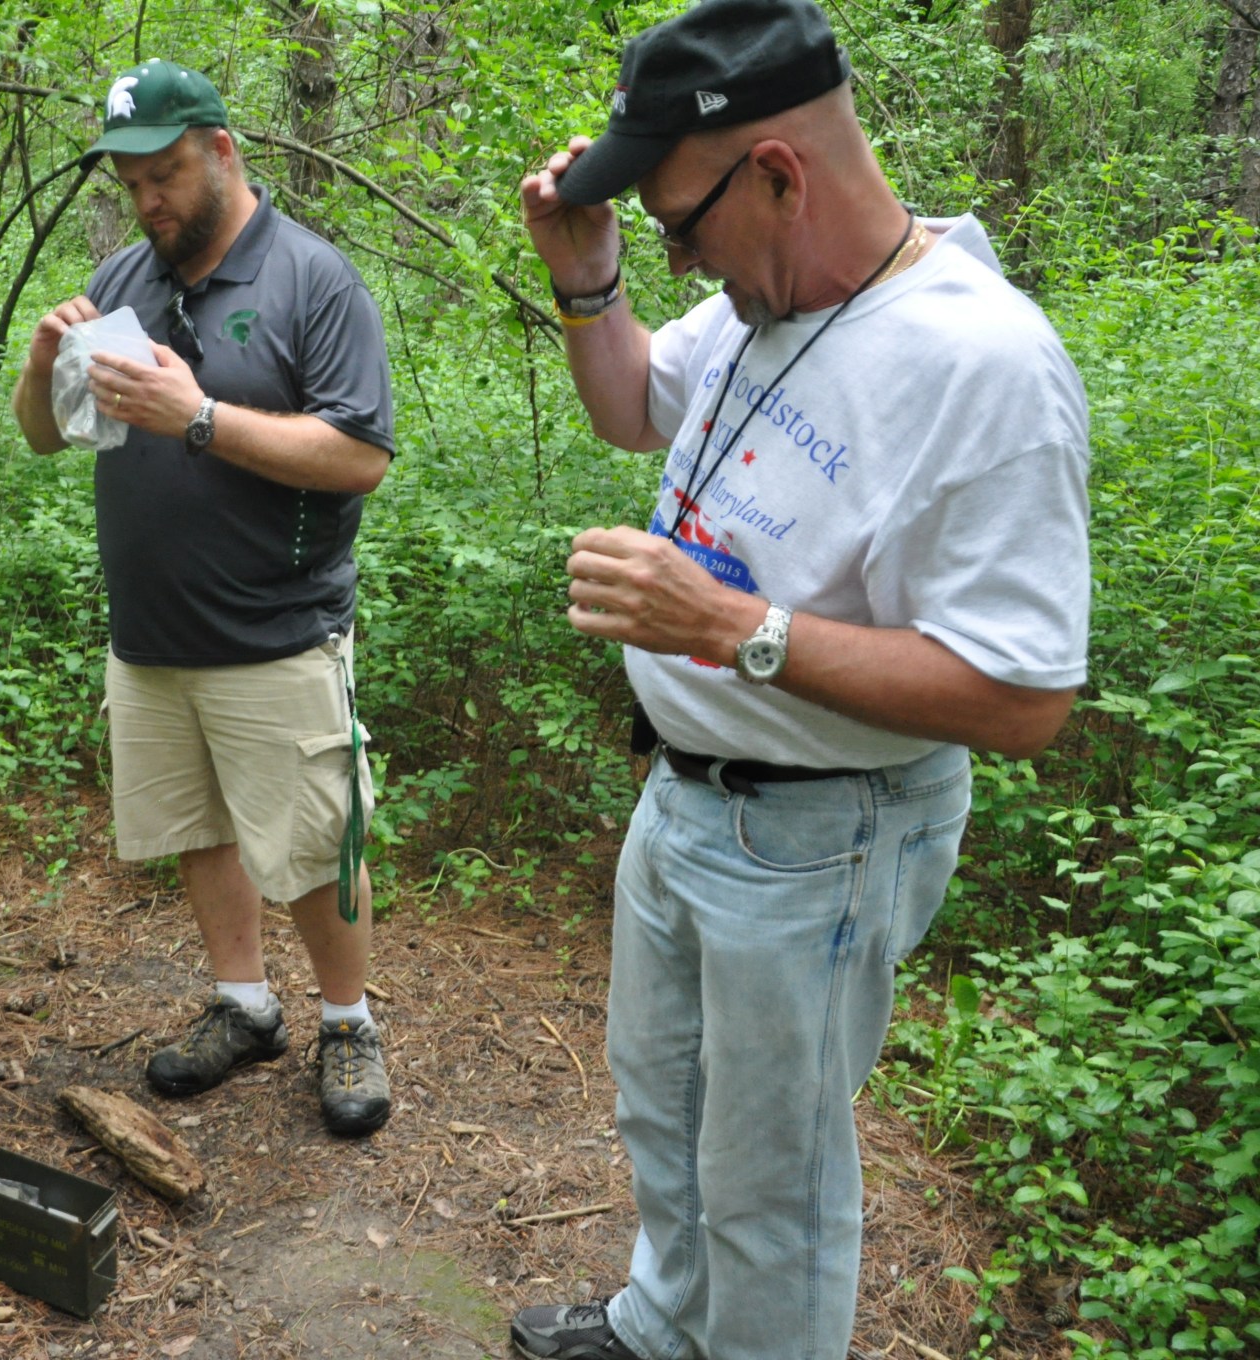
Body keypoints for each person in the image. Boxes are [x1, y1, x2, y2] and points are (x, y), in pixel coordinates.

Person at [509, 1, 1089, 1356]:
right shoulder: (762, 305)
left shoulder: (982, 367)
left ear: (777, 174)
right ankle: (666, 1324)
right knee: (665, 1103)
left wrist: (733, 628)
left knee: (776, 1182)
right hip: (689, 802)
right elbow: (626, 403)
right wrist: (591, 280)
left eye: (679, 223)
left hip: (824, 837)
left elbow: (1023, 700)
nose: (680, 256)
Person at [11, 60, 397, 1137]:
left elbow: (358, 454)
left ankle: (346, 1019)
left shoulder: (314, 281)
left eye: (165, 173)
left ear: (222, 150)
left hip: (275, 630)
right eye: (129, 181)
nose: (147, 200)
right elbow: (50, 436)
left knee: (317, 843)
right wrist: (45, 363)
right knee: (199, 826)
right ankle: (243, 1003)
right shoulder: (123, 278)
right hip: (151, 636)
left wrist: (198, 415)